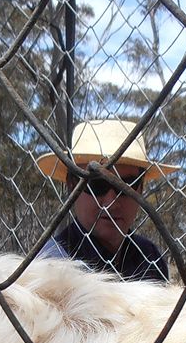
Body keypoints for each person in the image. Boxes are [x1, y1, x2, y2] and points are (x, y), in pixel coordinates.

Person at [35, 119, 177, 282]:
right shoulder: (51, 267)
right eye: (96, 184)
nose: (112, 202)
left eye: (126, 185)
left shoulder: (149, 258)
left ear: (141, 188)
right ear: (72, 186)